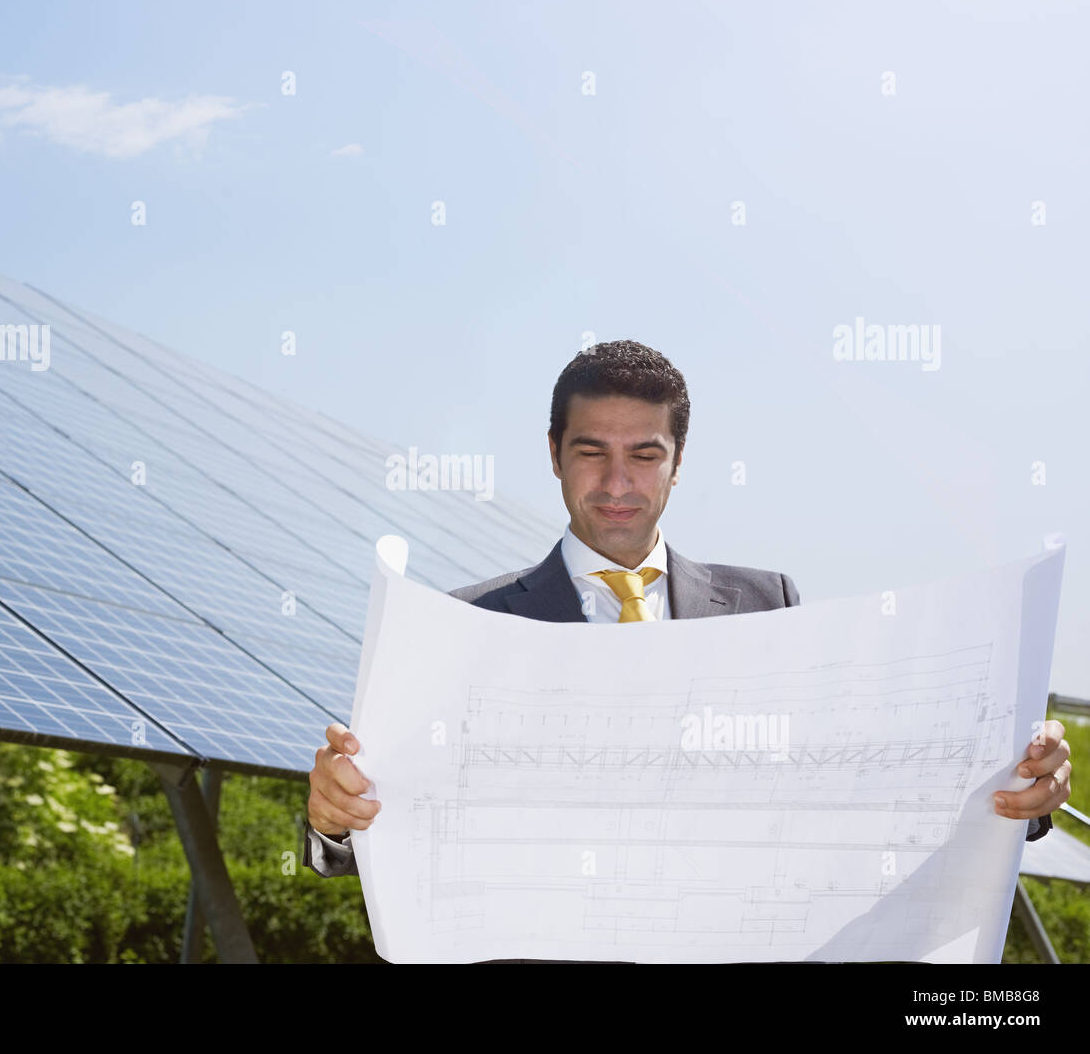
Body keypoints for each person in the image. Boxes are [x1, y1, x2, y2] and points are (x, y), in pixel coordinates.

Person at [305, 341, 1068, 884]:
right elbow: (386, 830)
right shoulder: (464, 625)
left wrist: (1021, 789)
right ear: (552, 452)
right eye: (590, 450)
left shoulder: (770, 607)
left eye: (644, 454)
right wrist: (332, 819)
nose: (616, 482)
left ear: (679, 460)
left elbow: (855, 781)